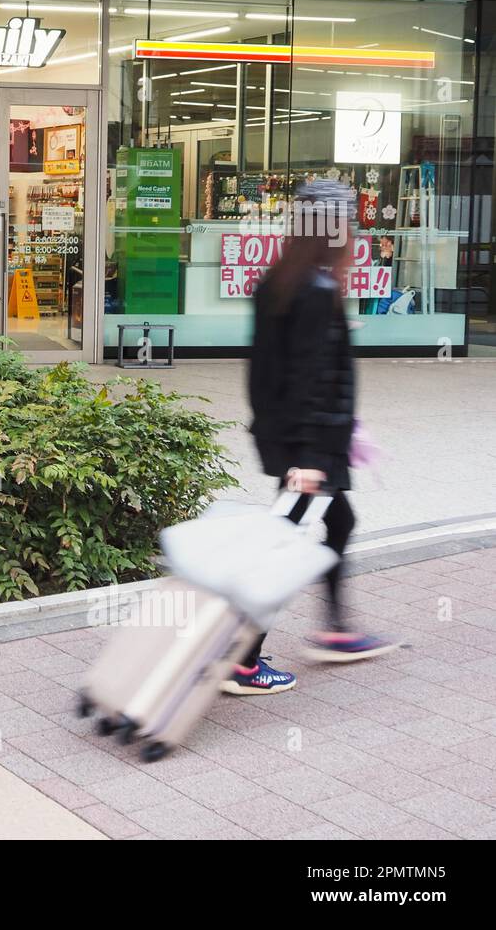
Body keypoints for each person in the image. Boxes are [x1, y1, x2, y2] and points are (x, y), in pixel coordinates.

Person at [224, 181, 396, 696]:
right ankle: (245, 662)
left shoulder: (278, 280)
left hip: (293, 442)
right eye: (349, 223)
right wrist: (313, 458)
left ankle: (336, 629)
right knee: (285, 550)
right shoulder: (317, 292)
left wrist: (282, 444)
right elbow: (313, 380)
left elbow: (262, 374)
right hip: (312, 450)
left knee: (338, 522)